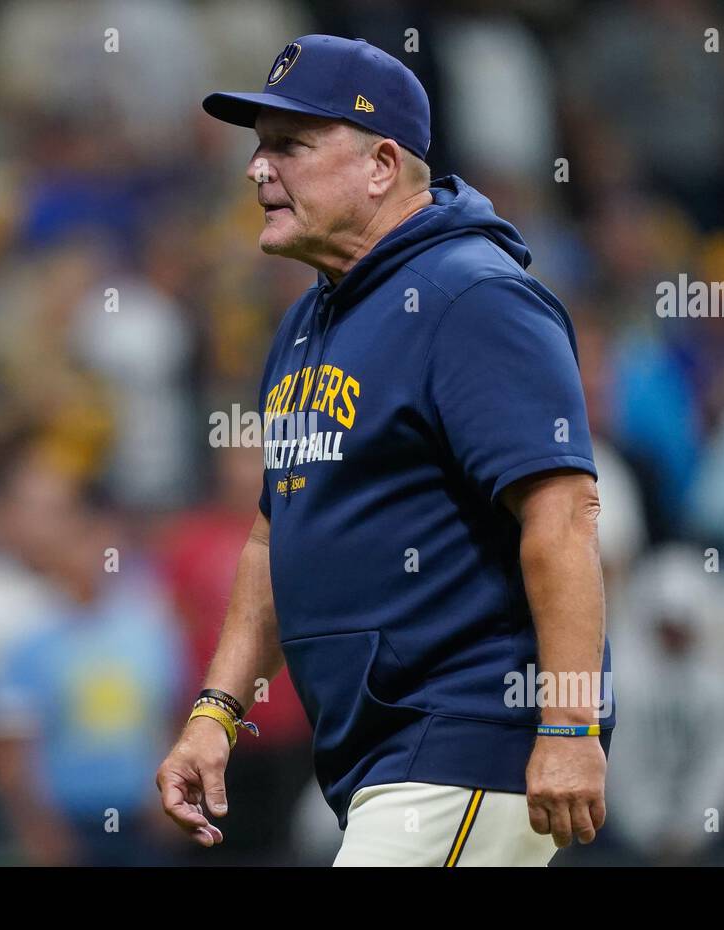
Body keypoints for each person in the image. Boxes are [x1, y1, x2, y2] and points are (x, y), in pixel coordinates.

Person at [157, 35, 614, 866]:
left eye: (291, 145)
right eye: (259, 146)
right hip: (379, 753)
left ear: (380, 164)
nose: (258, 169)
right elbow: (273, 538)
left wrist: (571, 724)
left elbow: (565, 515)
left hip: (468, 732)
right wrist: (216, 714)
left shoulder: (473, 296)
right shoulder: (308, 322)